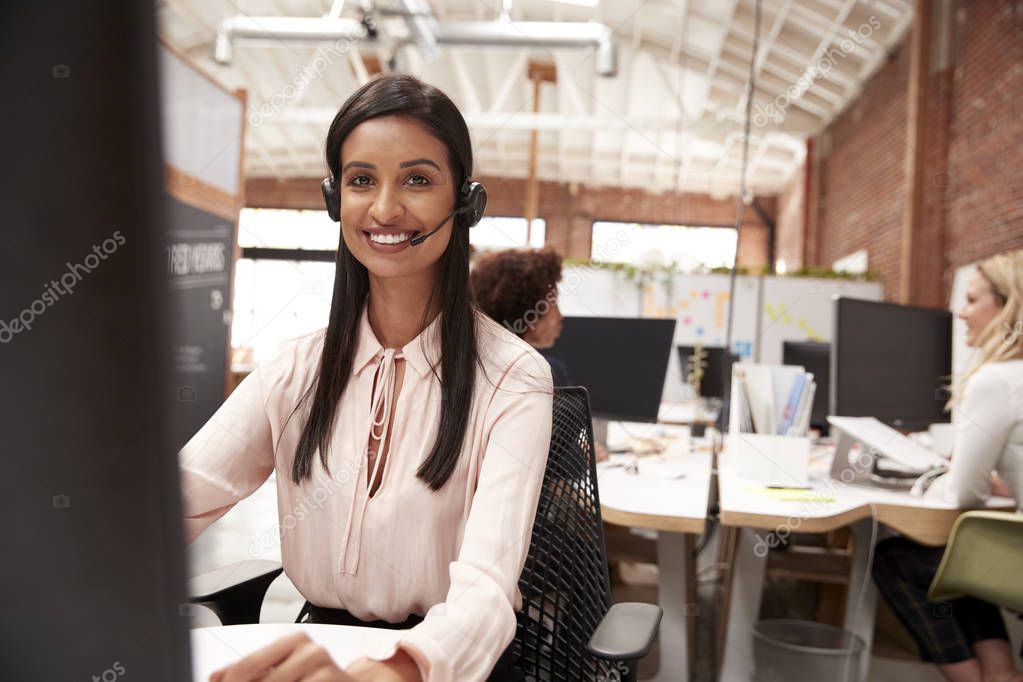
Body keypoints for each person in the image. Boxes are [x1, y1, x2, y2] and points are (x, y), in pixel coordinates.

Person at [183, 74, 554, 682]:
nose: (384, 209)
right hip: (321, 650)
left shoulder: (513, 378)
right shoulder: (295, 369)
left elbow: (486, 593)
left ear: (465, 201)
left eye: (417, 179)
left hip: (443, 665)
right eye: (361, 181)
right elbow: (186, 490)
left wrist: (395, 672)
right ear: (335, 200)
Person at [872, 250, 1023, 682]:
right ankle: (1000, 674)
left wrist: (937, 479)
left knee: (895, 560)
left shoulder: (998, 380)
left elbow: (963, 495)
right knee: (966, 558)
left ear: (1008, 305)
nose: (961, 312)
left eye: (974, 300)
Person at [470, 247, 569, 386]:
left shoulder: (464, 367)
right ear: (528, 307)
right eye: (553, 303)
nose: (560, 316)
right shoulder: (544, 372)